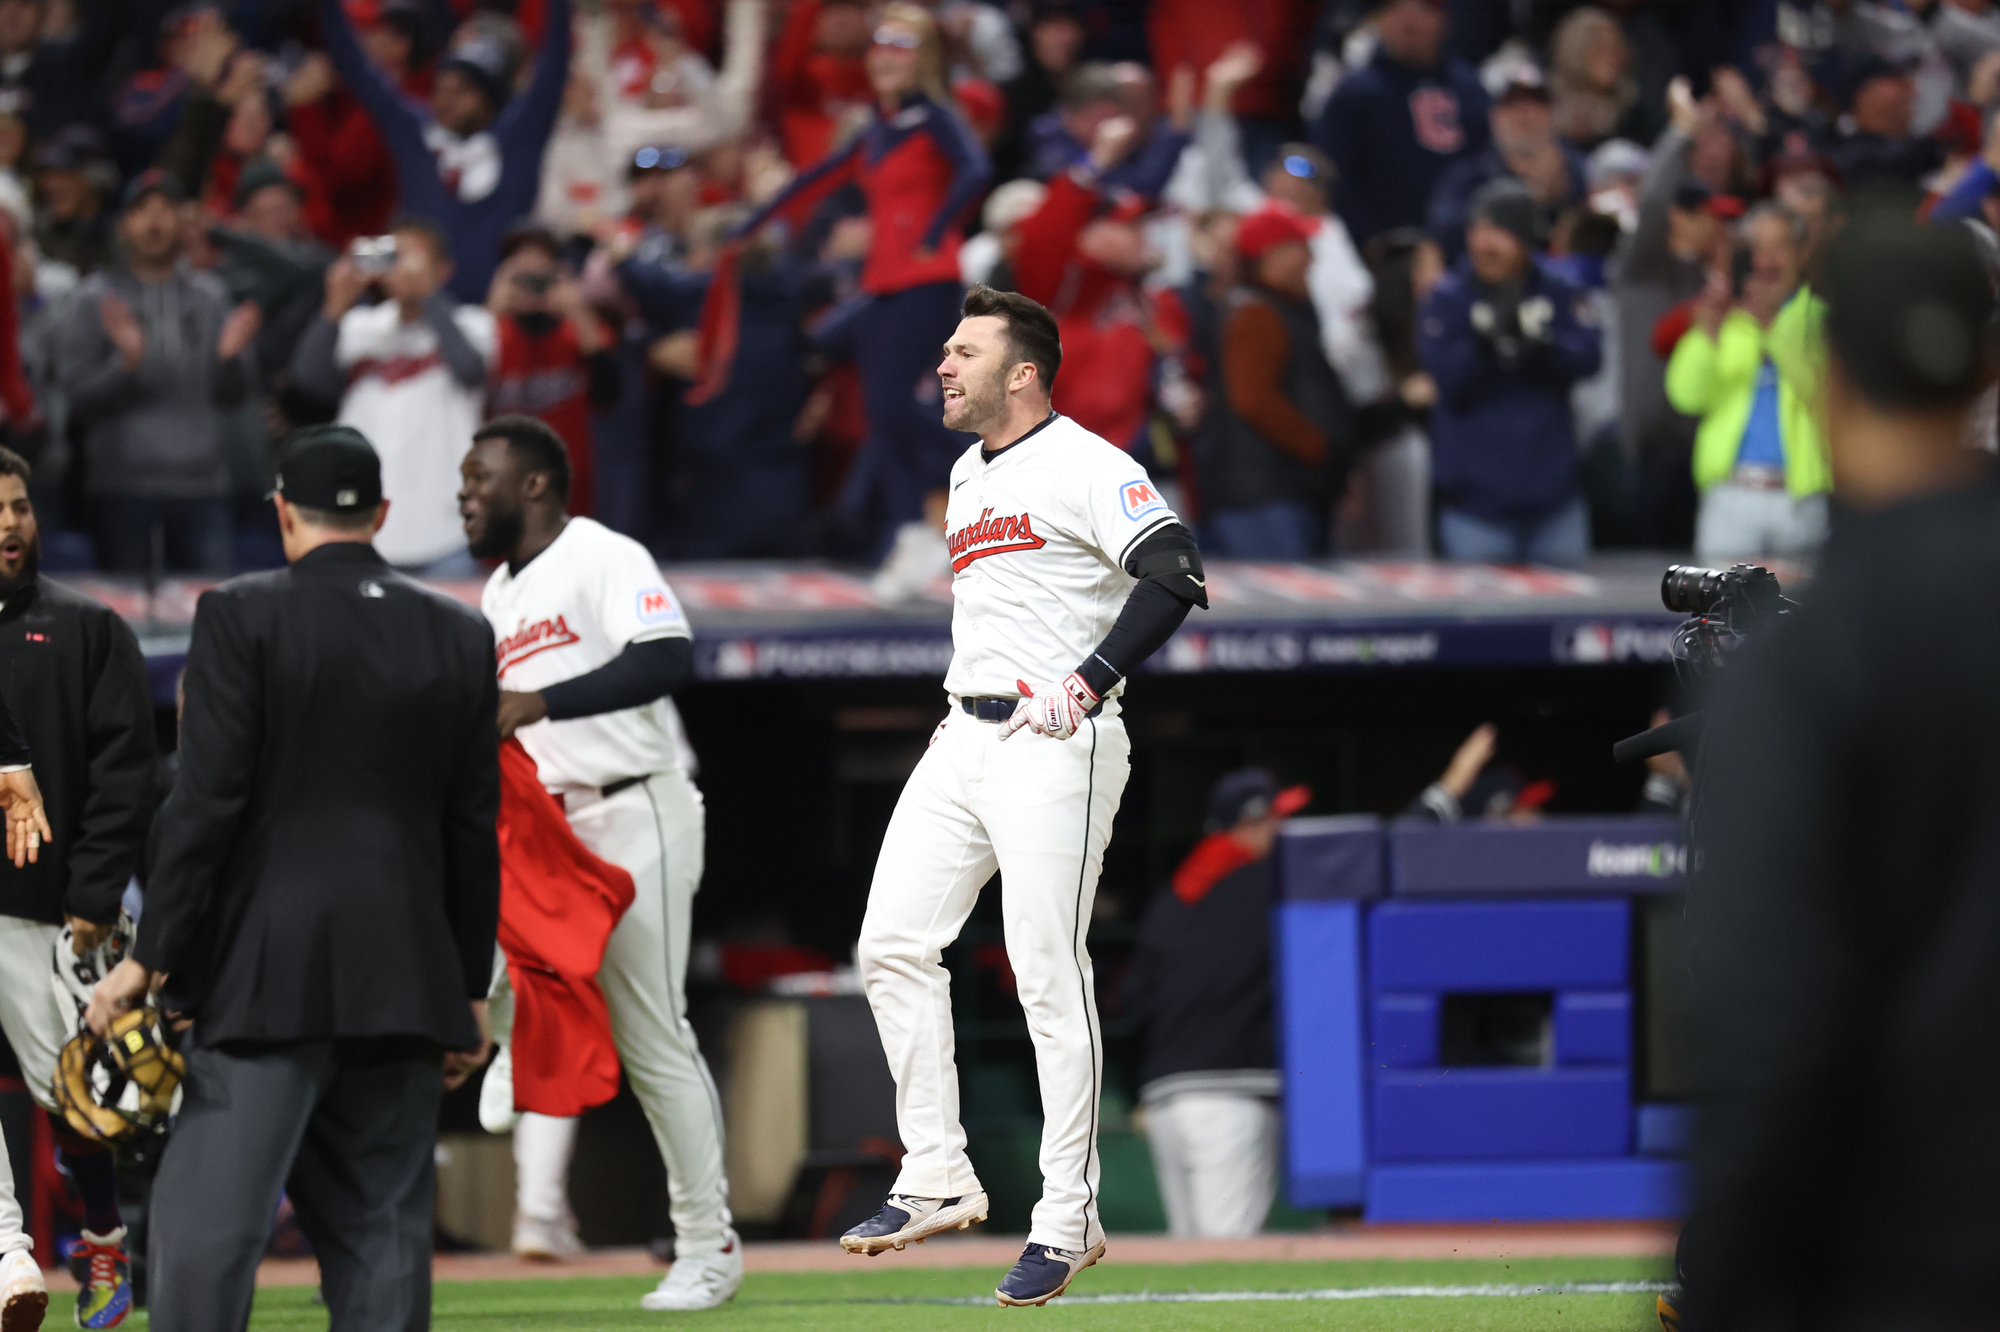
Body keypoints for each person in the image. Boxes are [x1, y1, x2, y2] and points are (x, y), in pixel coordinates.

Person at [84, 425, 500, 1332]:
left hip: (268, 973)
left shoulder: (241, 611)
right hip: (407, 973)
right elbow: (474, 831)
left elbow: (206, 804)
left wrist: (150, 961)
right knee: (383, 1227)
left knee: (206, 1230)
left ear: (281, 513)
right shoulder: (462, 630)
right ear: (383, 513)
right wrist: (467, 989)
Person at [842, 286, 1209, 1306]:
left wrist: (1088, 677)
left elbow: (1175, 570)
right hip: (962, 731)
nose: (943, 367)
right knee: (890, 943)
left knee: (1049, 972)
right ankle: (935, 1173)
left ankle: (1067, 1213)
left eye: (964, 352)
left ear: (1023, 373)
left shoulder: (1089, 464)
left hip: (1057, 738)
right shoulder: (966, 471)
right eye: (945, 351)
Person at [1676, 211, 2000, 1331]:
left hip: (1904, 1258)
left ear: (1822, 380)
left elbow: (1770, 1031)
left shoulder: (1815, 657)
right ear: (1985, 364)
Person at [455, 415, 739, 1311]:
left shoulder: (600, 552)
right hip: (549, 820)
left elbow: (668, 656)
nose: (463, 497)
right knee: (479, 936)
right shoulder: (499, 592)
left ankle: (708, 1247)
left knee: (655, 1036)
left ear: (533, 484)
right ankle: (512, 1033)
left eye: (478, 480)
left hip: (635, 803)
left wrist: (538, 700)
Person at [729, 3, 990, 557]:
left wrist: (937, 228)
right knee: (882, 410)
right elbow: (818, 176)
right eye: (882, 45)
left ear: (923, 59)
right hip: (883, 283)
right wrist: (749, 225)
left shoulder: (934, 118)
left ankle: (990, 482)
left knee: (899, 407)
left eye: (903, 46)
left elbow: (976, 170)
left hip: (926, 277)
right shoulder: (877, 127)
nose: (888, 57)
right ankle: (912, 533)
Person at [0, 447, 155, 1327]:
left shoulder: (86, 625)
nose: (10, 524)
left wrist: (95, 897)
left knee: (77, 1099)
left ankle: (104, 1241)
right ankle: (10, 1256)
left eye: (19, 506)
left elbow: (126, 773)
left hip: (49, 912)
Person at [1124, 768, 1309, 1239]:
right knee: (1227, 1257)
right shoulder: (1273, 881)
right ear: (1250, 824)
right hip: (1229, 1095)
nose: (1281, 831)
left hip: (1165, 1096)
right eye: (1274, 820)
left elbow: (1132, 1000)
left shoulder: (1176, 893)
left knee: (1192, 1261)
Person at [52, 169, 260, 575]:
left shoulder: (211, 296)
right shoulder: (96, 298)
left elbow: (234, 397)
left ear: (185, 224)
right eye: (142, 209)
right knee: (123, 627)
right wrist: (124, 364)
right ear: (123, 225)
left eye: (167, 210)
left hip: (203, 487)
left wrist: (231, 360)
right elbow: (76, 401)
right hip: (121, 486)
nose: (155, 220)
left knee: (209, 617)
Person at [317, 0, 572, 304]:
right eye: (441, 89)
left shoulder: (518, 138)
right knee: (337, 263)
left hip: (498, 312)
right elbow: (354, 64)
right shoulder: (414, 130)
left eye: (462, 91)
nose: (446, 100)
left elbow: (555, 59)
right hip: (410, 304)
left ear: (490, 98)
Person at [291, 215, 496, 576]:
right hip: (365, 529)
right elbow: (309, 382)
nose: (401, 269)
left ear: (443, 269)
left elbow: (470, 370)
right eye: (392, 257)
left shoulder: (473, 323)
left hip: (445, 529)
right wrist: (334, 306)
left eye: (412, 258)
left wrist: (428, 297)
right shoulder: (361, 326)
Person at [1419, 179, 1601, 564]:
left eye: (1498, 232)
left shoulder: (1558, 289)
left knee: (1565, 620)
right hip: (1476, 507)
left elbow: (1590, 358)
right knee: (1483, 621)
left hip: (1554, 501)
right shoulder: (1448, 298)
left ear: (1525, 238)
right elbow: (1450, 383)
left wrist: (1543, 348)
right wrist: (1483, 344)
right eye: (1478, 231)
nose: (1485, 244)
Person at [1666, 207, 1831, 562]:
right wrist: (1708, 334)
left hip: (1800, 499)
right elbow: (1686, 397)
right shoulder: (1724, 320)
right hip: (1731, 495)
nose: (1767, 261)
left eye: (1780, 247)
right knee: (1720, 615)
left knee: (1802, 614)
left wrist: (1772, 327)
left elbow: (1821, 395)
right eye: (1757, 248)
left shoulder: (1818, 317)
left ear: (1801, 254)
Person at [1207, 201, 1351, 557]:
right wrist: (1316, 447)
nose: (1311, 258)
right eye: (1300, 247)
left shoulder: (1285, 307)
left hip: (1283, 490)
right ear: (1271, 255)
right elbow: (1253, 400)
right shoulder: (1256, 314)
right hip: (1265, 497)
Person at [1312, 0, 1489, 248]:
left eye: (1424, 9)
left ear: (1445, 20)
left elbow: (1487, 166)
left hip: (1465, 249)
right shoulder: (1355, 93)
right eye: (1395, 8)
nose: (1409, 22)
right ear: (1379, 19)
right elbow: (1335, 176)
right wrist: (1369, 241)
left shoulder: (1470, 89)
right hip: (1383, 251)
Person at [485, 227, 620, 519]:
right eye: (522, 277)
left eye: (541, 277)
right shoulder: (490, 332)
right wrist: (493, 310)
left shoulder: (578, 331)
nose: (533, 287)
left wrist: (578, 310)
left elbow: (610, 394)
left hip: (567, 487)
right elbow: (463, 387)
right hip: (502, 488)